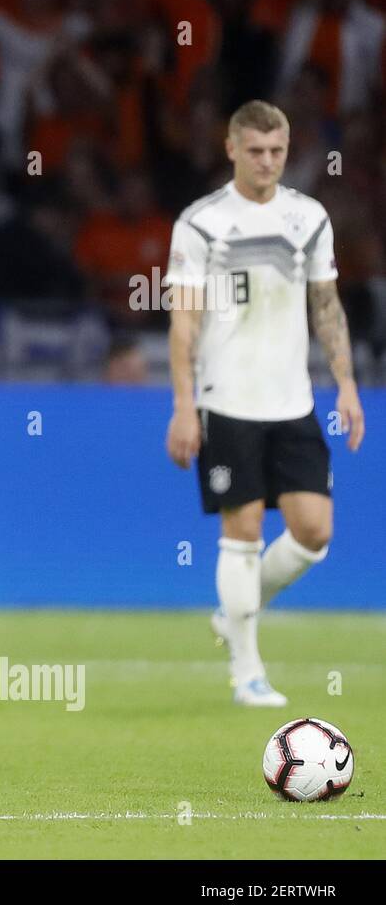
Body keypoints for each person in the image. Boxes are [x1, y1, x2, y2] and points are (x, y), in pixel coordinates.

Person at [164, 100, 365, 707]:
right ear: (231, 149)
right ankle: (247, 672)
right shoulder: (200, 223)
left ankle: (235, 614)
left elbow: (326, 306)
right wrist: (183, 403)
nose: (268, 162)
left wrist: (347, 383)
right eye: (255, 151)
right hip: (227, 401)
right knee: (242, 531)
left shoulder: (308, 218)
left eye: (277, 151)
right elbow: (184, 323)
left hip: (292, 401)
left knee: (313, 533)